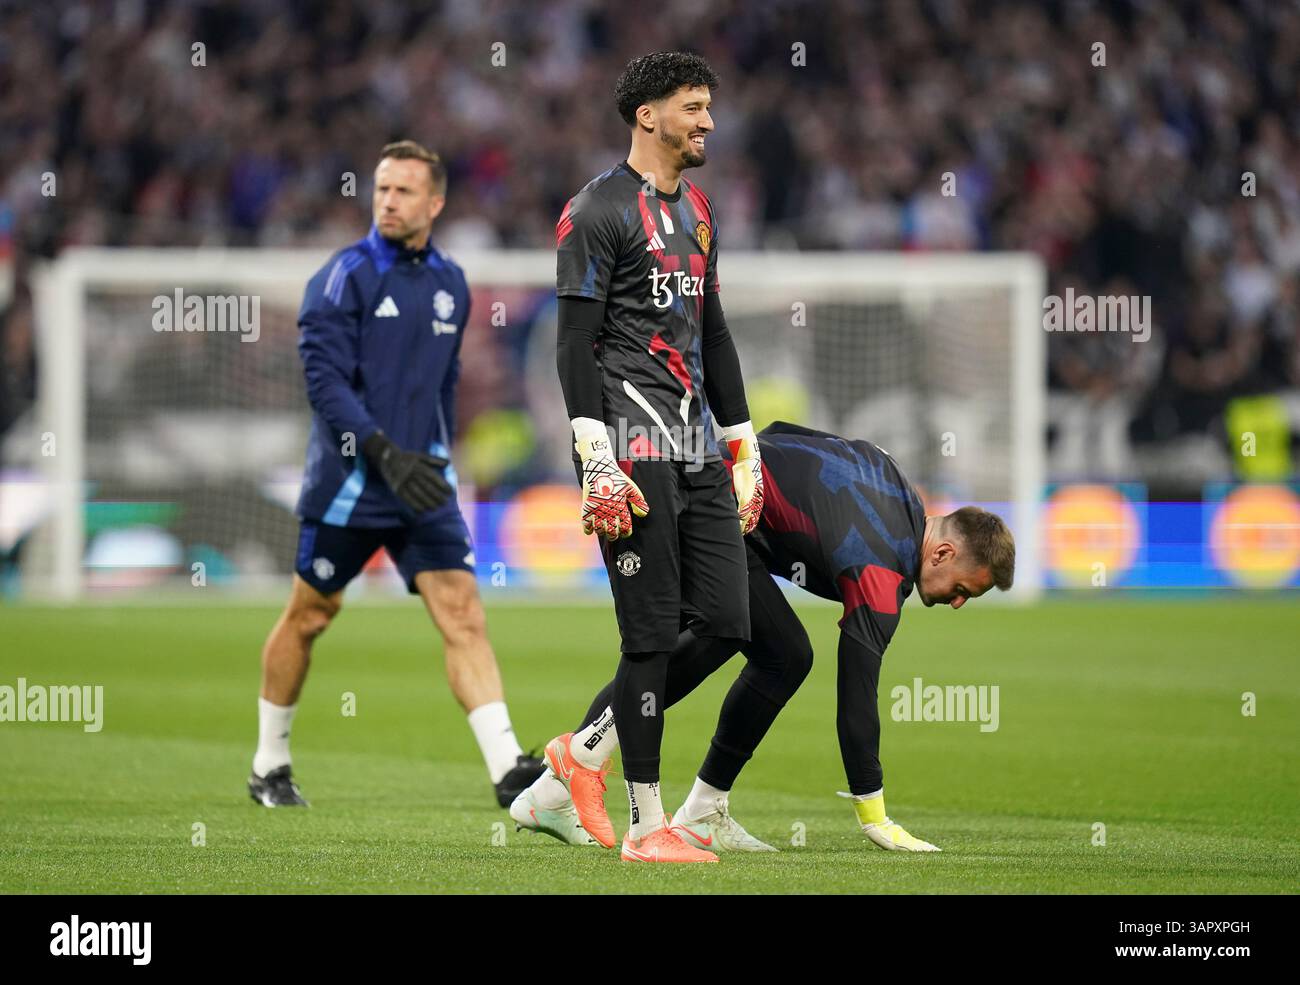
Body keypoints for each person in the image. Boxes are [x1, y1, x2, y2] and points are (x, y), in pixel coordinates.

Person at [513, 421, 1016, 854]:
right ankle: (584, 762)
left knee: (781, 653)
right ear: (945, 553)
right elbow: (858, 693)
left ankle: (580, 793)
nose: (956, 603)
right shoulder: (883, 572)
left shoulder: (896, 482)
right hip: (701, 508)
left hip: (710, 488)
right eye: (964, 591)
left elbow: (782, 435)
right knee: (732, 635)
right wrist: (874, 813)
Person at [247, 141, 543, 809]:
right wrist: (384, 453)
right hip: (353, 482)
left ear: (434, 203)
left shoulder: (451, 284)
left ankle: (506, 768)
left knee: (463, 611)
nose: (387, 200)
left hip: (422, 483)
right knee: (310, 614)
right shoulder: (340, 277)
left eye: (404, 191)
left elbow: (443, 383)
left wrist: (439, 455)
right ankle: (269, 762)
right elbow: (324, 385)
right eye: (382, 188)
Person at [550, 52, 763, 863]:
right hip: (629, 448)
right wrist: (593, 457)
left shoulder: (703, 209)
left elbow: (713, 333)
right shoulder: (595, 211)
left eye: (710, 106)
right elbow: (573, 343)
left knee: (727, 620)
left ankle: (582, 751)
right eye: (694, 106)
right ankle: (647, 825)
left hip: (696, 443)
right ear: (649, 116)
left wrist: (743, 450)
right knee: (649, 635)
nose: (709, 121)